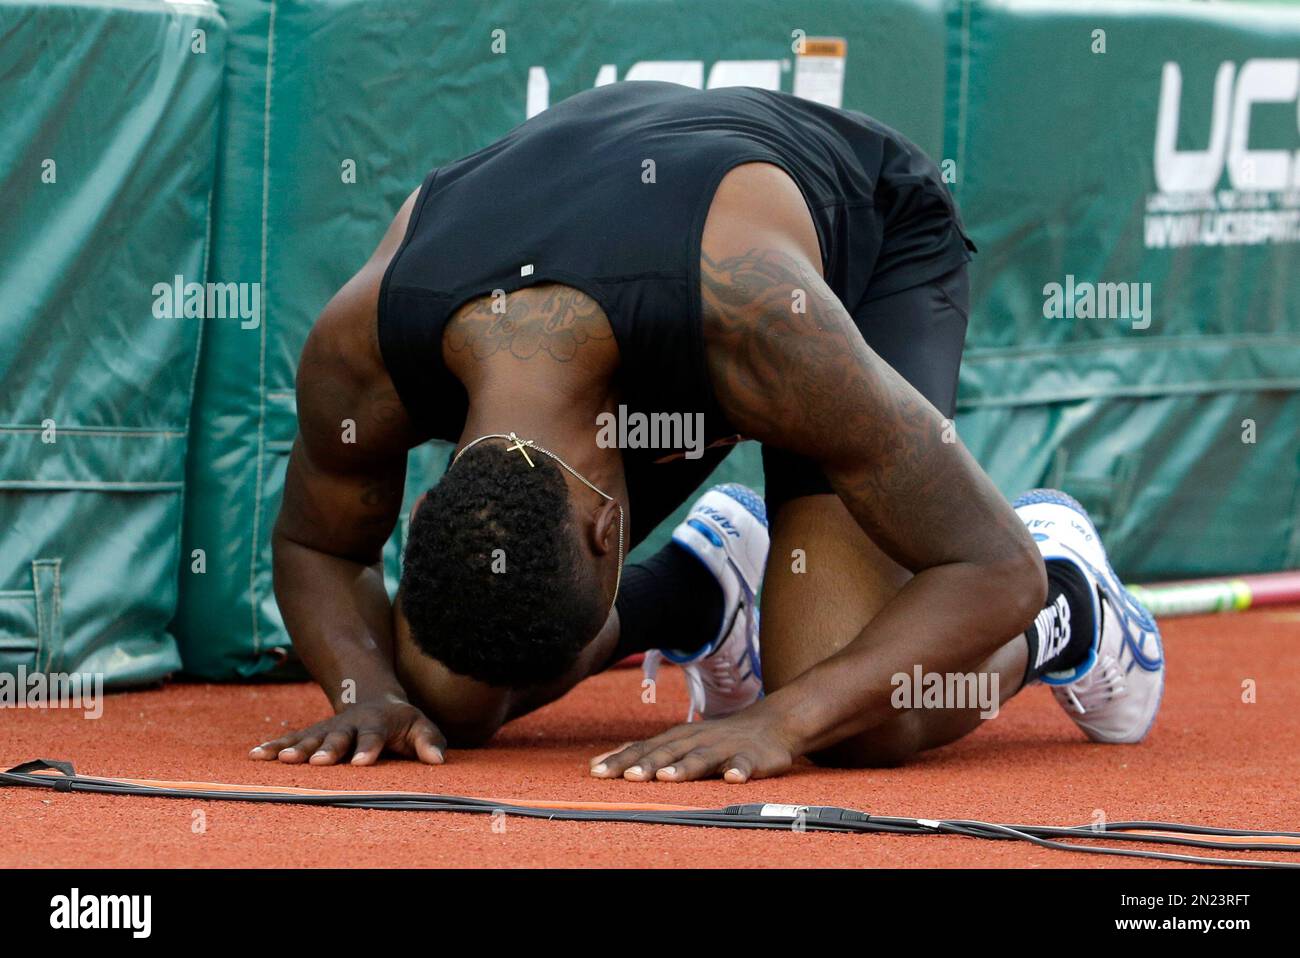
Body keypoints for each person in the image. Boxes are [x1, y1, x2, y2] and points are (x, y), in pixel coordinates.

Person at [252, 81, 1164, 781]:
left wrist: (785, 719)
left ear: (609, 526)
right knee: (451, 692)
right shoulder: (365, 348)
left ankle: (1075, 601)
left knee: (870, 719)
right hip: (634, 288)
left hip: (850, 254)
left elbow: (988, 570)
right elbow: (313, 542)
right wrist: (369, 691)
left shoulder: (772, 332)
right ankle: (701, 586)